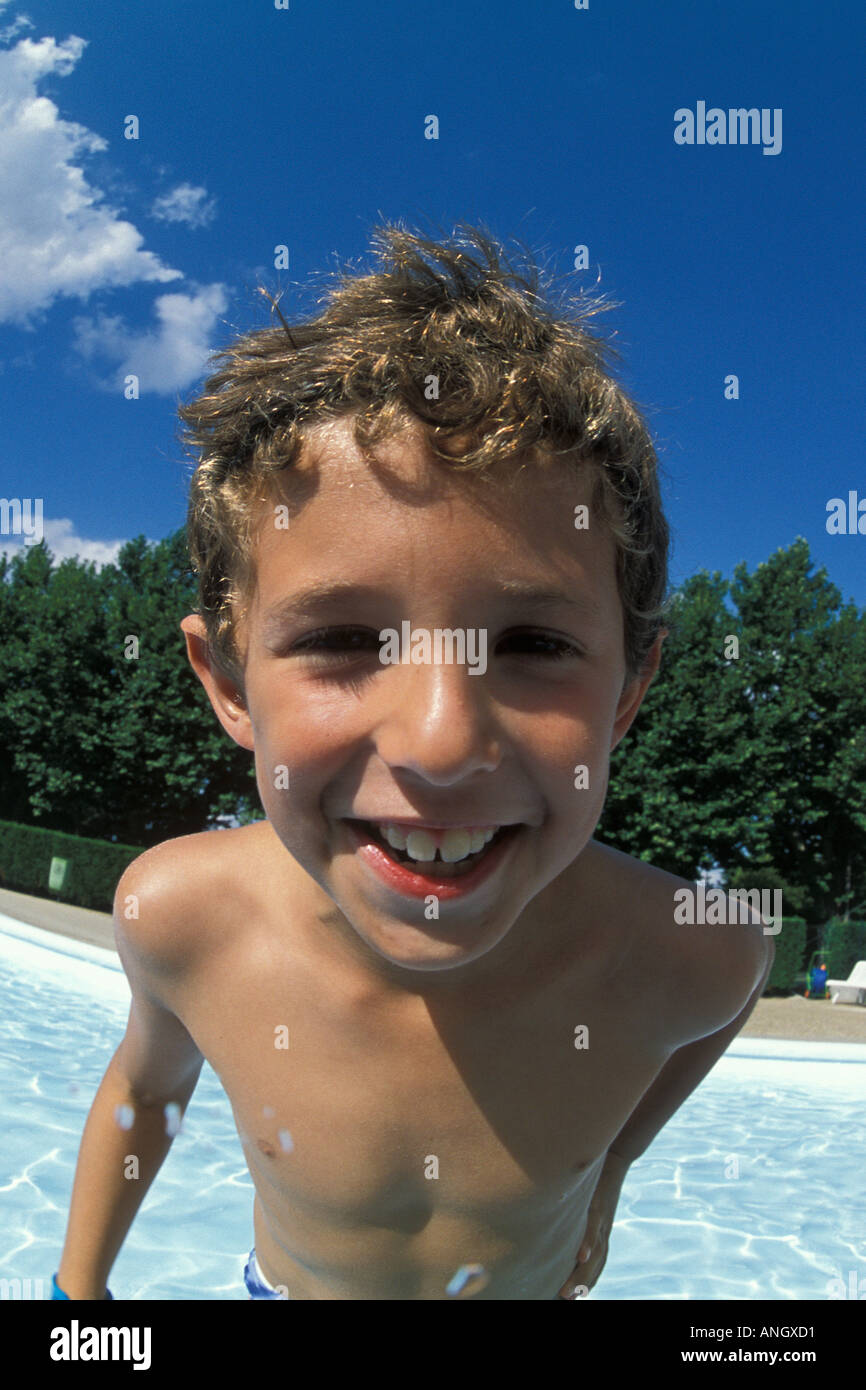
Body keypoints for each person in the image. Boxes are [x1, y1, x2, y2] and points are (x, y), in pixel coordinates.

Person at [54, 222, 773, 1301]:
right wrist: (76, 1302)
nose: (439, 744)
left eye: (531, 645)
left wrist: (614, 1164)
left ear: (627, 690)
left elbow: (704, 1026)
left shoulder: (696, 956)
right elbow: (147, 1095)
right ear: (230, 683)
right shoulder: (181, 916)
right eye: (344, 641)